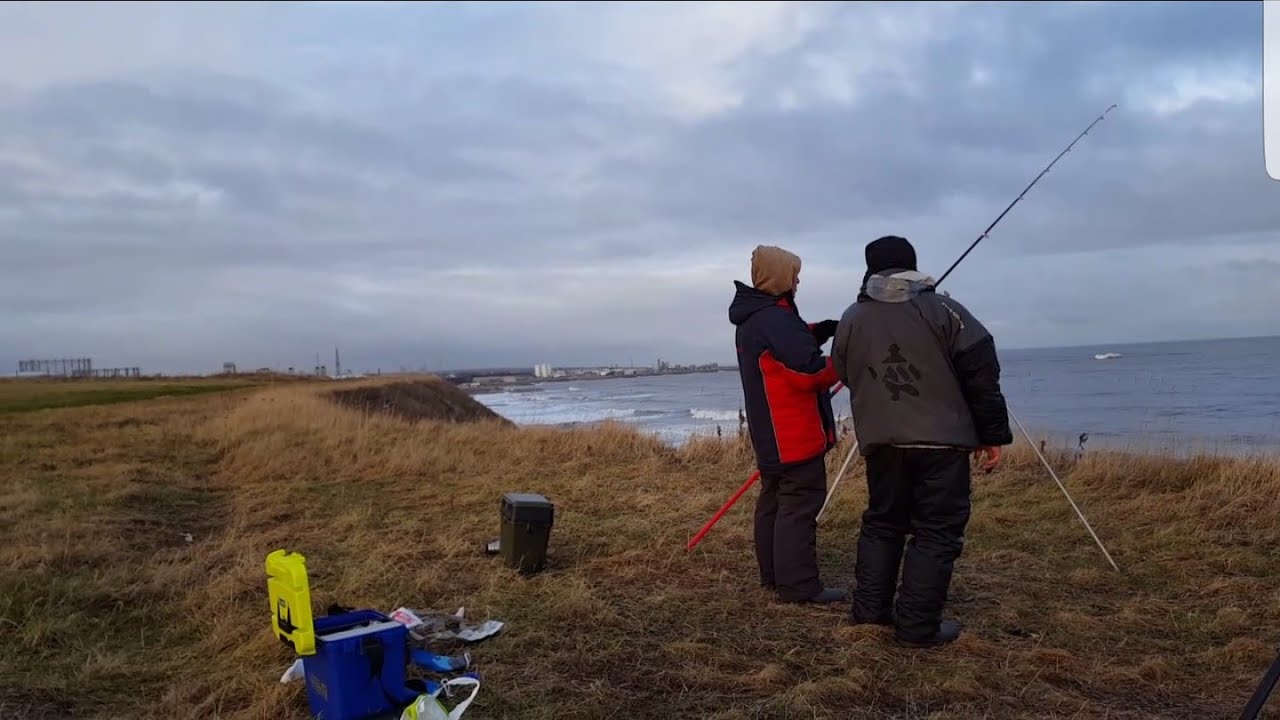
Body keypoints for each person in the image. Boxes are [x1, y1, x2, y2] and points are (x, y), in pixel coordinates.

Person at [831, 235, 1013, 647]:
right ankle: (916, 627)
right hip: (942, 444)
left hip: (883, 442)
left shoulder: (852, 317)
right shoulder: (945, 309)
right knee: (936, 531)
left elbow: (843, 370)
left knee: (882, 523)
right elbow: (981, 371)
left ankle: (870, 614)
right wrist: (992, 435)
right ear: (912, 265)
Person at [729, 244, 846, 604]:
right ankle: (799, 587)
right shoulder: (774, 319)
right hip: (792, 435)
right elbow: (809, 372)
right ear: (778, 276)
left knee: (774, 502)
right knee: (798, 506)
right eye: (794, 273)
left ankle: (774, 576)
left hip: (769, 436)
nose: (798, 280)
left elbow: (788, 345)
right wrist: (849, 358)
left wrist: (822, 330)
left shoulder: (757, 315)